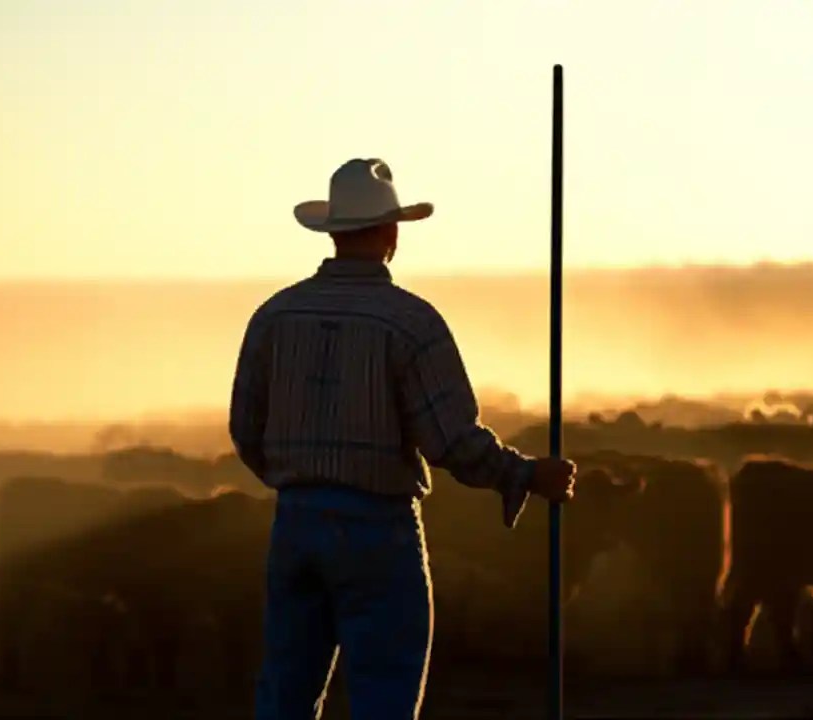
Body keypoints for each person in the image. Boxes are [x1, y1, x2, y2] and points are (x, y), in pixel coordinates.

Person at [229, 157, 577, 720]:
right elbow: (451, 442)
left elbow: (246, 429)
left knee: (285, 694)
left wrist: (300, 484)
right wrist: (524, 474)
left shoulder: (274, 317)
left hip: (296, 524)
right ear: (392, 233)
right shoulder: (411, 323)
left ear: (335, 232)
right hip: (378, 531)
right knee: (384, 698)